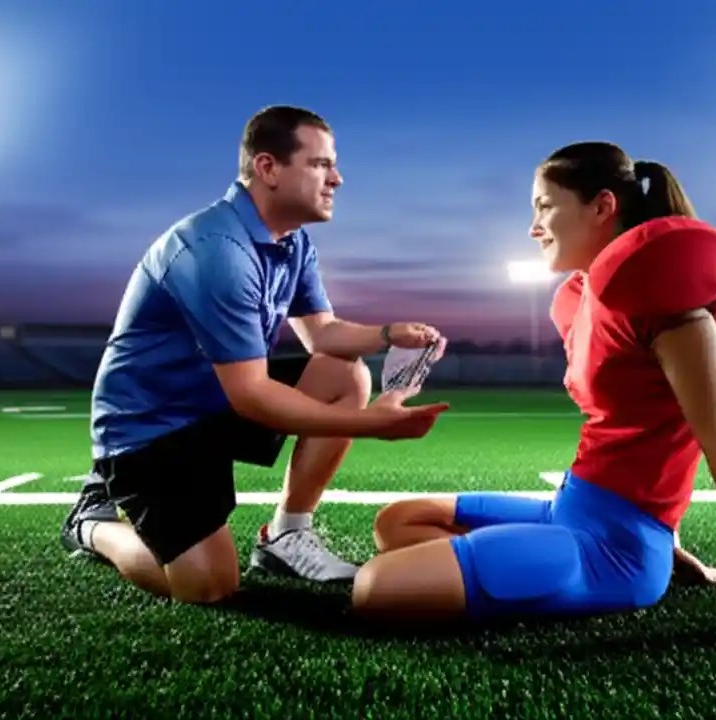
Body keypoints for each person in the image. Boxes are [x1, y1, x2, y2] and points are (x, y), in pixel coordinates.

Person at [350, 141, 716, 648]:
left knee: (374, 588)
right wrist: (675, 542)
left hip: (613, 547)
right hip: (573, 505)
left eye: (544, 207)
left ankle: (590, 569)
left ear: (602, 206)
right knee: (394, 523)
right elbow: (641, 420)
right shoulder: (582, 297)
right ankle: (527, 566)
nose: (533, 227)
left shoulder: (670, 304)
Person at [59, 105, 450, 604]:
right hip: (151, 429)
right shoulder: (216, 249)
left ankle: (287, 535)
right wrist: (374, 425)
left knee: (344, 375)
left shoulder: (292, 240)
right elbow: (251, 396)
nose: (338, 178)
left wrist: (390, 333)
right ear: (267, 168)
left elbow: (323, 336)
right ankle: (91, 521)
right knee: (208, 585)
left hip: (211, 401)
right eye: (320, 164)